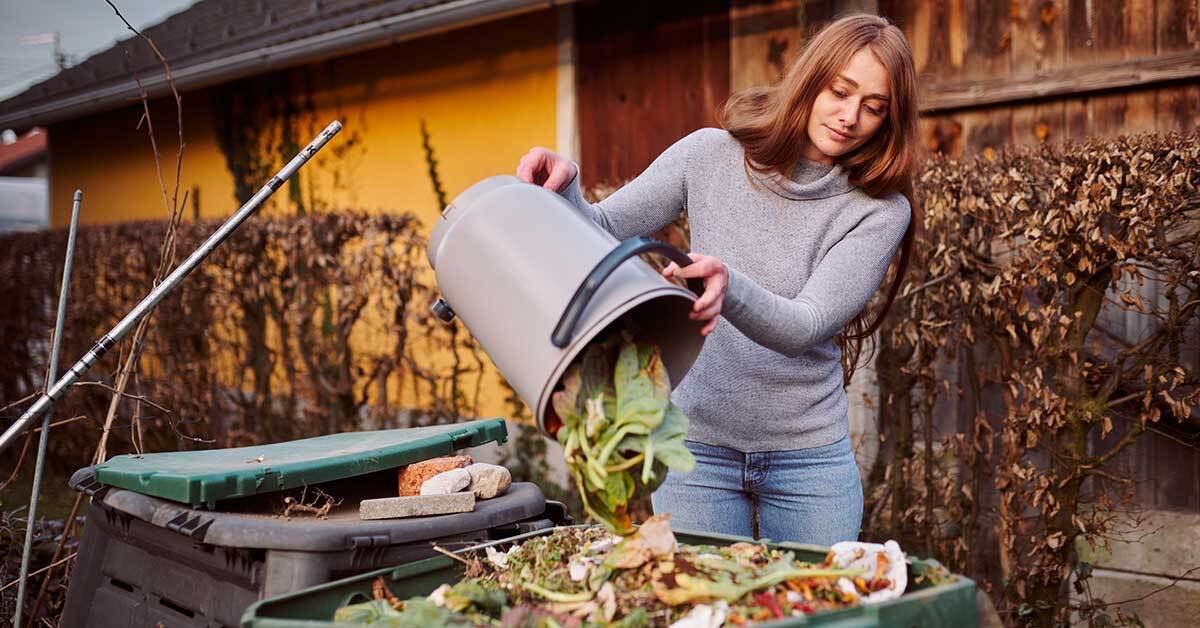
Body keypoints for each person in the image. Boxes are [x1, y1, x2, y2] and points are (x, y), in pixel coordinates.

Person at [515, 14, 919, 546]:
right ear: (809, 78)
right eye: (839, 91)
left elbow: (807, 323)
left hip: (808, 463)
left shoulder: (879, 211)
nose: (849, 117)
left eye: (873, 107)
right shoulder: (709, 154)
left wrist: (730, 285)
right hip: (695, 451)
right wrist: (563, 188)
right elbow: (604, 229)